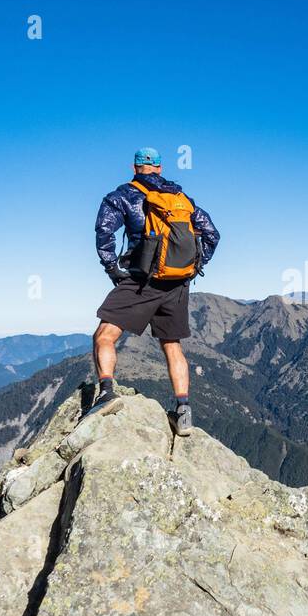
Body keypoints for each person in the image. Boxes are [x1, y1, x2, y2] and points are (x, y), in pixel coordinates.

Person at [88, 147, 220, 433]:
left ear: (134, 167)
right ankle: (183, 412)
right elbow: (211, 234)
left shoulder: (123, 195)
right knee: (172, 346)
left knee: (104, 335)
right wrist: (193, 267)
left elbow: (104, 231)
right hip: (177, 283)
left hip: (141, 280)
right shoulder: (181, 199)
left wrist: (112, 268)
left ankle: (106, 394)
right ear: (159, 168)